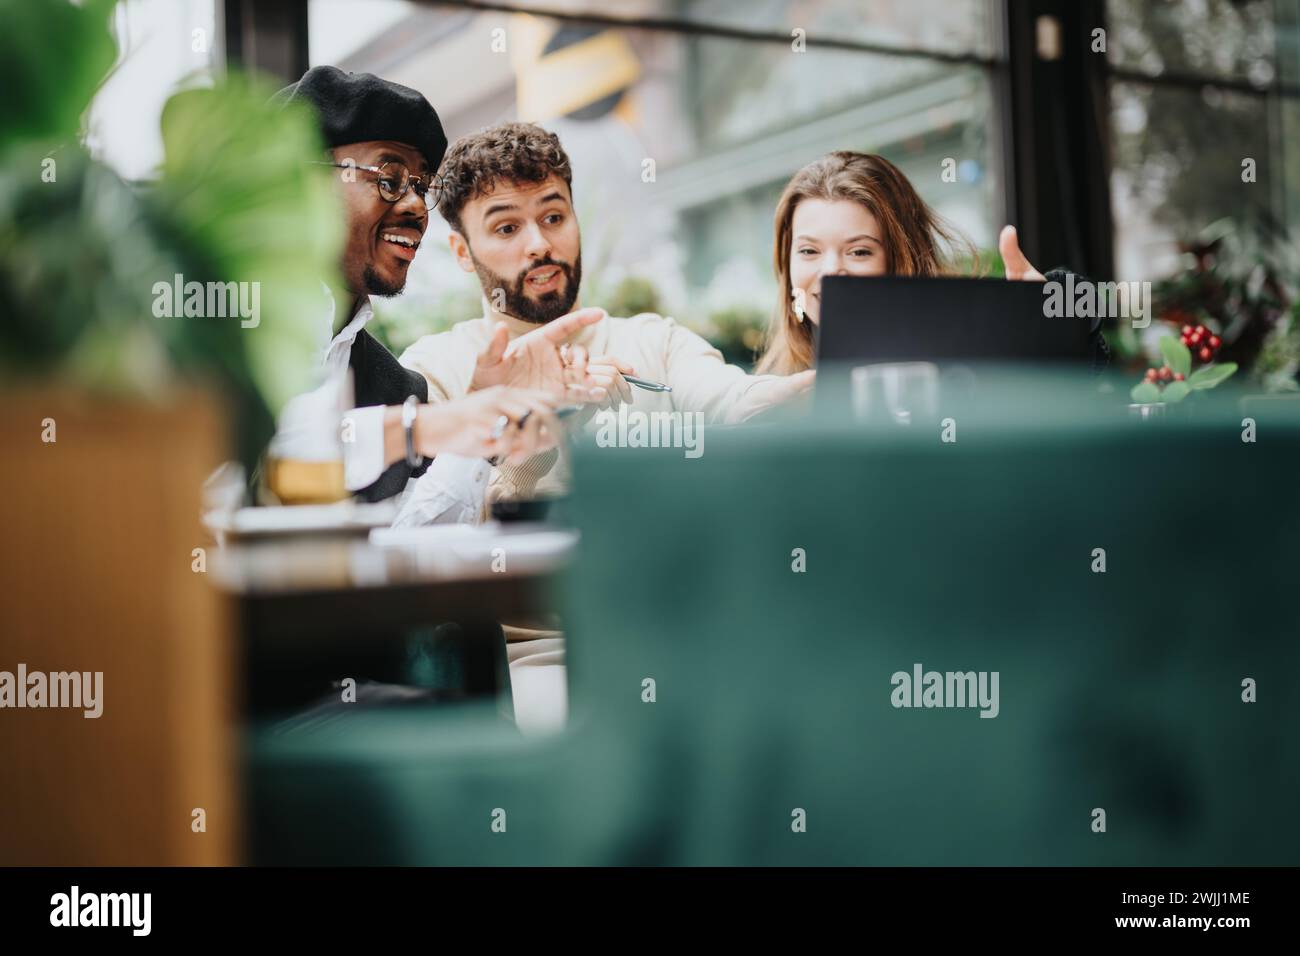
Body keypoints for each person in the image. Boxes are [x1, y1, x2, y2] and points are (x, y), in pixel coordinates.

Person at [398, 121, 815, 504]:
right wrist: (530, 442)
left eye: (554, 217)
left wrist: (795, 395)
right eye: (507, 228)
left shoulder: (657, 342)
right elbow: (428, 528)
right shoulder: (431, 371)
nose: (539, 244)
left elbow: (729, 398)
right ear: (462, 253)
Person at [269, 68, 609, 522]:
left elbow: (404, 541)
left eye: (421, 186)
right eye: (389, 179)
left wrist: (482, 419)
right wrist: (417, 428)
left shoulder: (394, 384)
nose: (414, 206)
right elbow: (256, 458)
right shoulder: (222, 326)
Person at [754, 150, 1108, 375]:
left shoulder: (963, 365)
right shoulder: (773, 389)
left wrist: (1047, 330)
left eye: (859, 251)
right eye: (808, 251)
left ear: (900, 259)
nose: (830, 271)